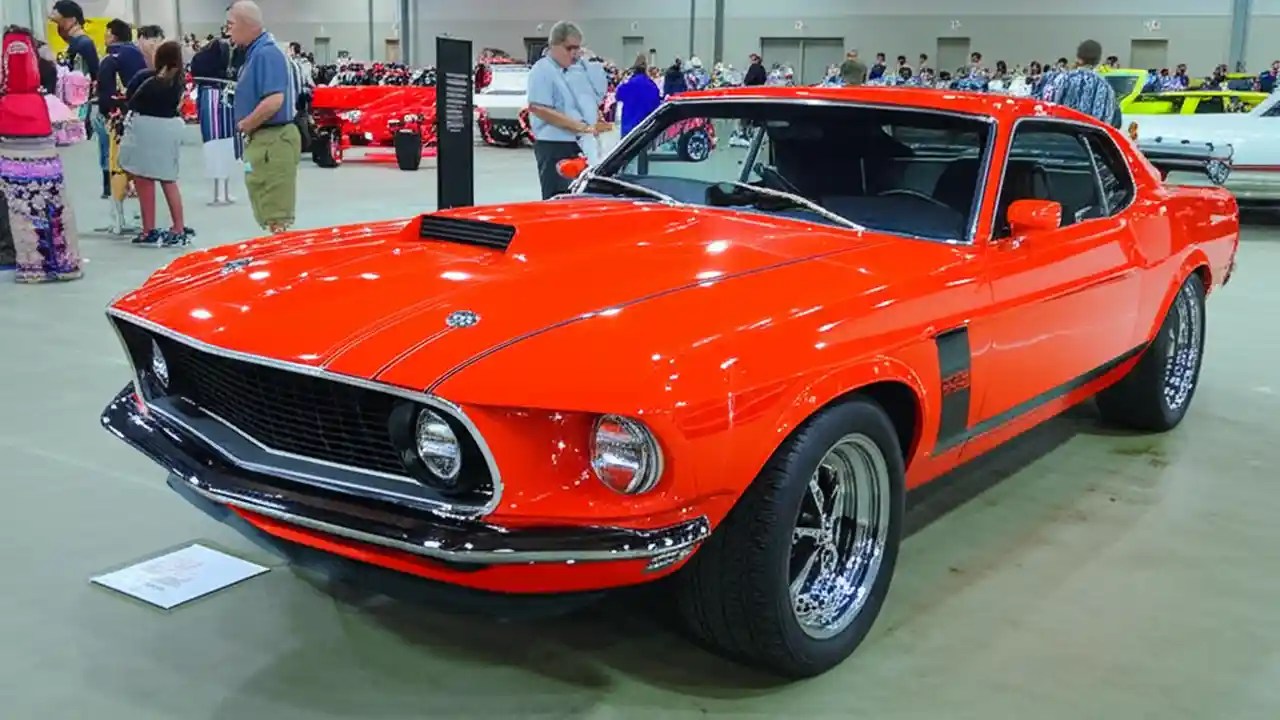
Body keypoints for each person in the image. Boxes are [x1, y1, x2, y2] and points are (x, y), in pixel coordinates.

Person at [0, 25, 83, 283]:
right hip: (42, 141)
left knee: (19, 207)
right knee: (53, 204)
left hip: (11, 144)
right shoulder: (45, 69)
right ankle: (64, 262)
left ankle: (28, 263)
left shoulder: (5, 85)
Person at [227, 0, 301, 233]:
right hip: (264, 140)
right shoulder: (254, 53)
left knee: (276, 215)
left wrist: (246, 125)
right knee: (265, 205)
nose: (227, 30)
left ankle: (279, 262)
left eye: (230, 25)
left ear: (247, 25)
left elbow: (274, 101)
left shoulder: (267, 54)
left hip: (274, 140)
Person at [118, 40, 192, 247]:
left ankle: (148, 229)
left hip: (144, 129)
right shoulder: (179, 81)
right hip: (169, 128)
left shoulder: (147, 78)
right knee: (169, 180)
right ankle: (178, 226)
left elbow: (131, 100)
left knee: (143, 180)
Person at [526, 20, 598, 200]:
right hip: (554, 147)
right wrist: (578, 126)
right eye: (569, 48)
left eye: (577, 49)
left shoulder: (571, 72)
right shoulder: (542, 71)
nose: (574, 54)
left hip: (574, 145)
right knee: (557, 199)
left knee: (575, 197)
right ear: (554, 45)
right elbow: (540, 109)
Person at [97, 19, 146, 199]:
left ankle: (112, 189)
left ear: (113, 36)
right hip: (136, 110)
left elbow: (105, 88)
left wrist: (105, 110)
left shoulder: (111, 58)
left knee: (111, 153)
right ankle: (135, 184)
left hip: (115, 113)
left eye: (107, 33)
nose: (105, 37)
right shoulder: (137, 55)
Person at [190, 30, 241, 204]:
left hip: (211, 100)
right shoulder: (226, 58)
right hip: (222, 99)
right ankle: (222, 192)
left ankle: (219, 192)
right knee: (224, 146)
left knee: (215, 146)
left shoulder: (201, 60)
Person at [1033, 39, 1120, 128]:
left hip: (1060, 135)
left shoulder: (1062, 80)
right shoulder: (1106, 88)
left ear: (1078, 58)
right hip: (1092, 139)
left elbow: (1042, 107)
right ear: (1098, 61)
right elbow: (1115, 122)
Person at [615, 54, 660, 137]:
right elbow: (657, 107)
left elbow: (618, 95)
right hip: (646, 129)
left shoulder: (628, 84)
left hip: (628, 129)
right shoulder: (652, 86)